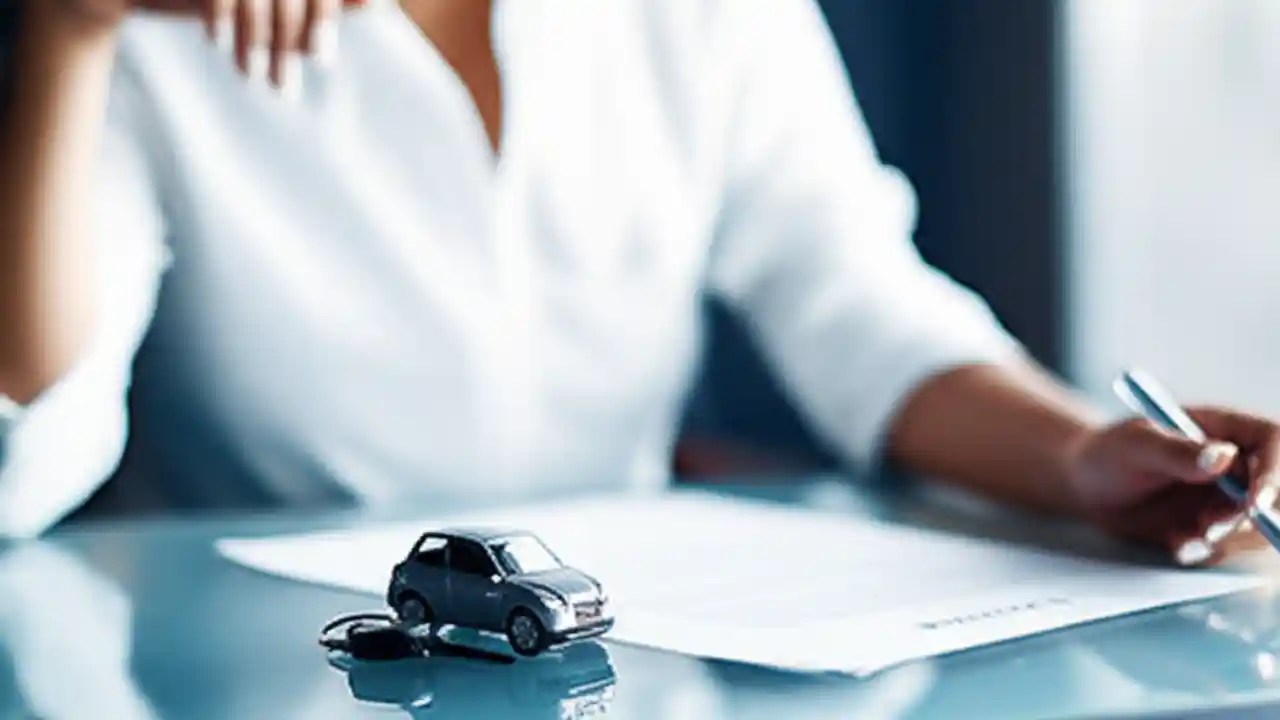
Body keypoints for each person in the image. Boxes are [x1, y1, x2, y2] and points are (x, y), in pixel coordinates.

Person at [0, 0, 1274, 566]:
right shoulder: (165, 35)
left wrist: (1078, 457)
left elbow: (852, 301)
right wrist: (70, 30)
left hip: (609, 645)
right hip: (258, 664)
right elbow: (27, 470)